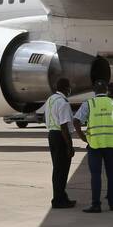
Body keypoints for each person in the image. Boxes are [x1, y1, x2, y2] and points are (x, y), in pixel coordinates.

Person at [73, 79, 113, 212]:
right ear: (106, 90)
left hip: (95, 144)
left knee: (96, 175)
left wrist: (83, 137)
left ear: (94, 91)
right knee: (111, 174)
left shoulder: (89, 103)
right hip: (111, 143)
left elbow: (76, 120)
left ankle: (96, 204)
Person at [44, 77, 77, 209]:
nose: (70, 89)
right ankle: (59, 199)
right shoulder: (63, 103)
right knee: (62, 169)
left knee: (57, 169)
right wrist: (70, 146)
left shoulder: (50, 100)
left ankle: (61, 196)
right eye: (69, 87)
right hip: (60, 136)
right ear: (66, 88)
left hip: (52, 134)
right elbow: (64, 125)